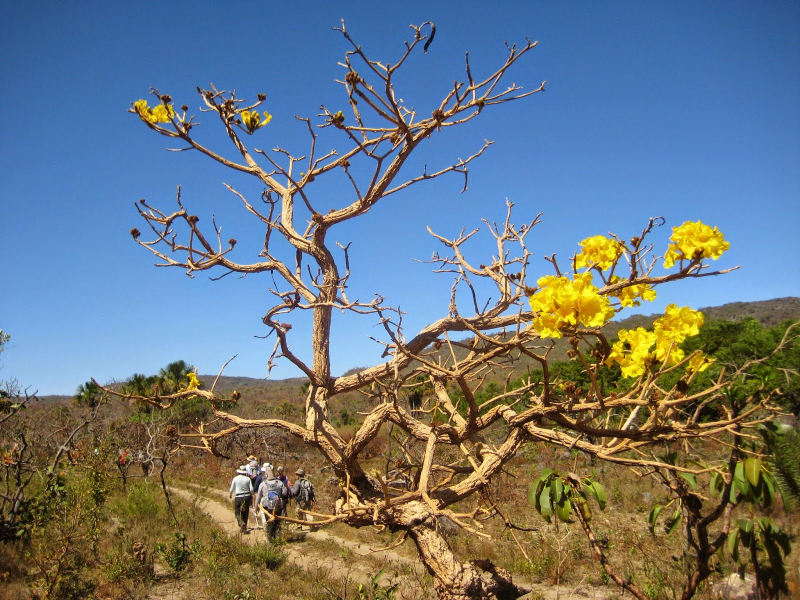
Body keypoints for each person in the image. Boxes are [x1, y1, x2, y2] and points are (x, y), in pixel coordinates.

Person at [255, 466, 288, 541]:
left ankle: (270, 539)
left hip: (267, 507)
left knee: (269, 522)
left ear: (266, 475)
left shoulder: (263, 484)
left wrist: (256, 507)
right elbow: (285, 493)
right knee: (277, 522)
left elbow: (258, 496)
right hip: (278, 505)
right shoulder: (279, 482)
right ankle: (277, 537)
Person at [229, 465, 254, 534]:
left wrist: (230, 494)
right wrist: (251, 496)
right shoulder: (248, 479)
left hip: (238, 496)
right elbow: (251, 489)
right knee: (245, 512)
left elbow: (231, 489)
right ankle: (244, 525)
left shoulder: (235, 478)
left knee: (237, 511)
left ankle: (240, 522)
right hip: (247, 496)